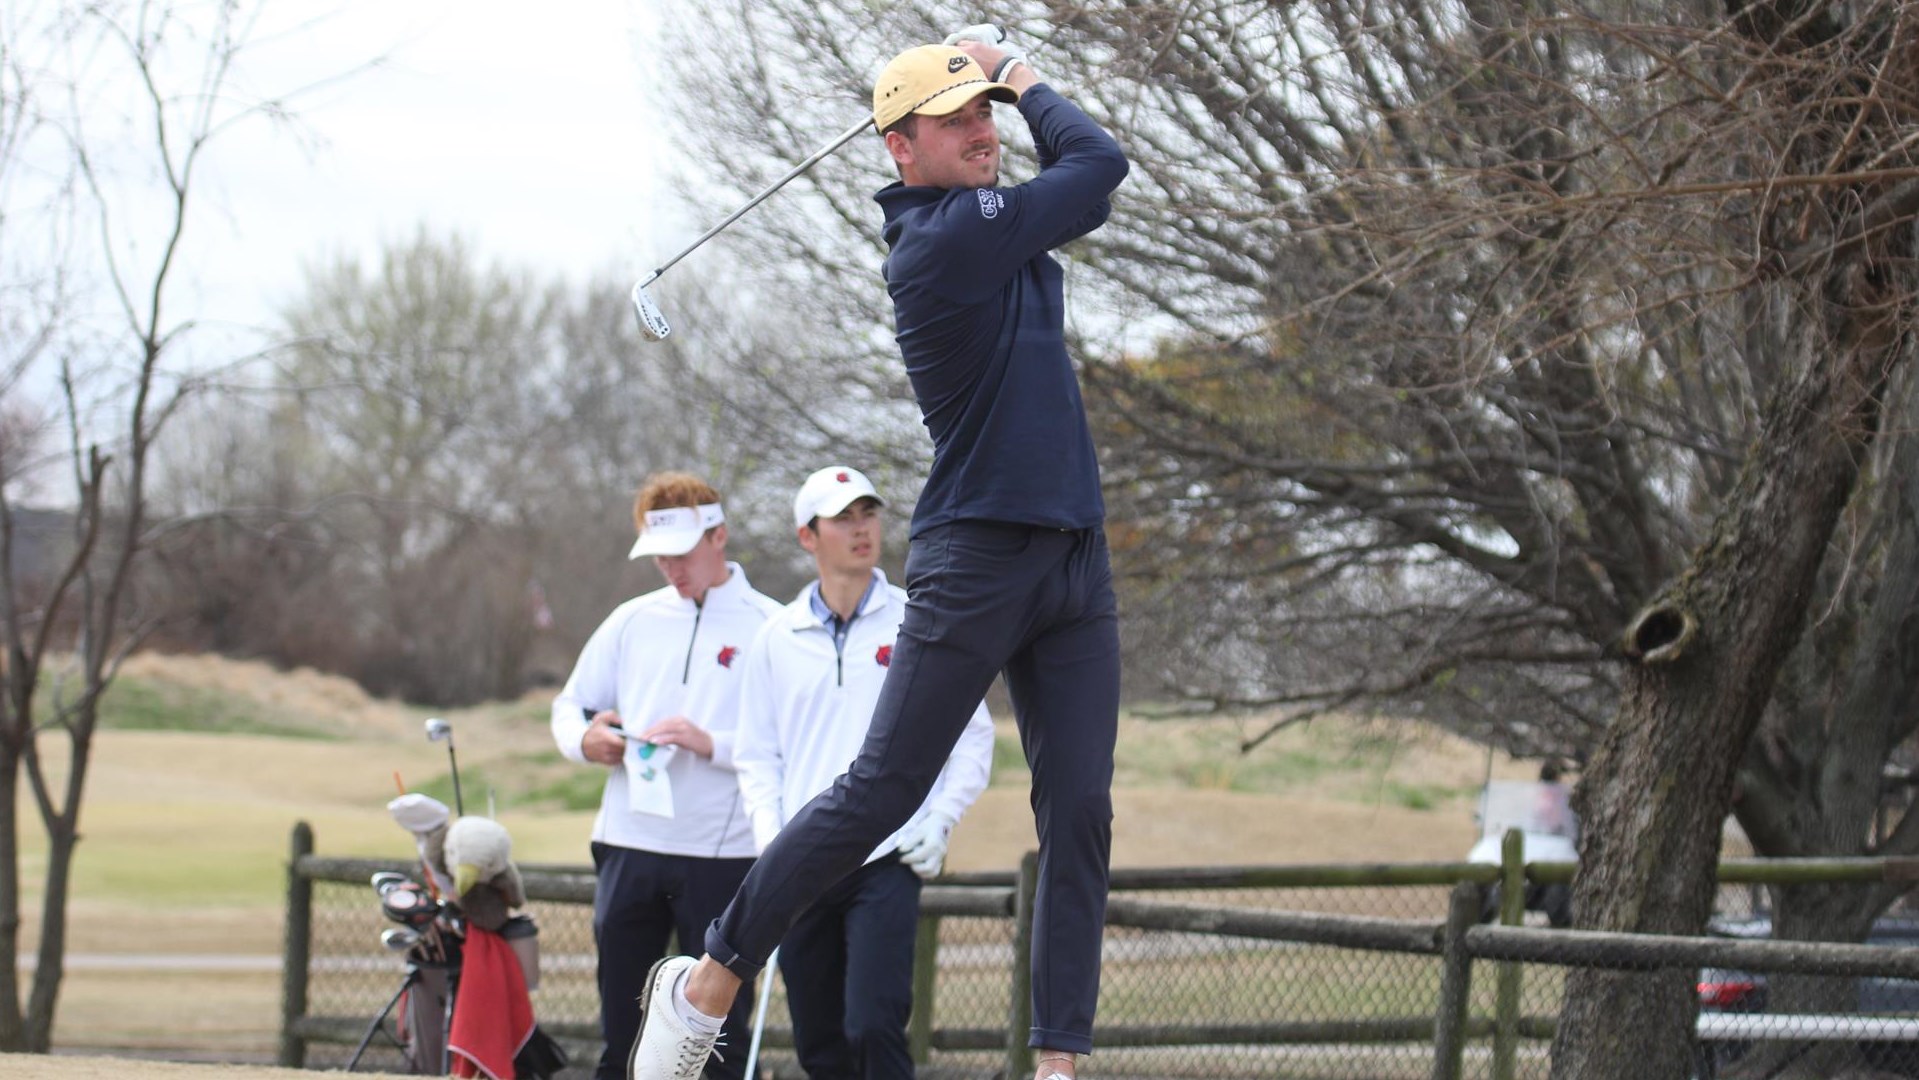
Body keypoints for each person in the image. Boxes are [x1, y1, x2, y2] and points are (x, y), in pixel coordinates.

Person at [629, 31, 1127, 1080]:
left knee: (1077, 805)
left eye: (989, 110)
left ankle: (1058, 1062)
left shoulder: (991, 224)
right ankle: (710, 975)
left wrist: (996, 83)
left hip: (1073, 553)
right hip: (978, 551)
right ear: (901, 148)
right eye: (960, 120)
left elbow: (1078, 179)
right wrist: (1027, 71)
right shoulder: (943, 239)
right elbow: (1096, 168)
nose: (985, 130)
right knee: (882, 788)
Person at [735, 465, 995, 1079]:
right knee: (820, 1043)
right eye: (842, 519)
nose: (861, 529)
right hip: (803, 861)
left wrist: (942, 819)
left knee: (873, 1026)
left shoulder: (918, 619)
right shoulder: (776, 637)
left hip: (886, 856)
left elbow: (973, 734)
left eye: (868, 515)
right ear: (808, 537)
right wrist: (772, 839)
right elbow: (756, 756)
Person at [552, 471, 784, 1080]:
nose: (671, 570)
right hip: (629, 844)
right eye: (660, 558)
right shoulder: (631, 620)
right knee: (622, 1030)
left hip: (725, 853)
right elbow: (569, 706)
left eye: (681, 555)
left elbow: (792, 744)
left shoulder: (773, 625)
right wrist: (587, 739)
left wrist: (711, 744)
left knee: (718, 1034)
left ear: (719, 536)